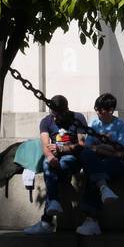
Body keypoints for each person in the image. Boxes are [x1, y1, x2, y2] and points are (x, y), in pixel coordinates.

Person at [24, 94, 90, 235]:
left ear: (66, 111)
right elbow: (45, 144)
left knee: (60, 166)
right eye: (52, 114)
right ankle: (53, 204)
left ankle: (46, 222)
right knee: (48, 166)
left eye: (58, 115)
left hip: (72, 159)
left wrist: (62, 149)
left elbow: (82, 144)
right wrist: (49, 156)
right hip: (54, 158)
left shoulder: (78, 118)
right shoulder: (46, 121)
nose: (54, 118)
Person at [77, 94, 124, 236]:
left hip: (116, 162)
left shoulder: (121, 126)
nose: (98, 113)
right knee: (86, 156)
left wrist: (99, 147)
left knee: (93, 172)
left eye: (101, 110)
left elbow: (121, 153)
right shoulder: (95, 124)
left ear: (111, 110)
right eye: (96, 109)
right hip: (97, 160)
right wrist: (108, 147)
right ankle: (103, 187)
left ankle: (91, 220)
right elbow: (88, 148)